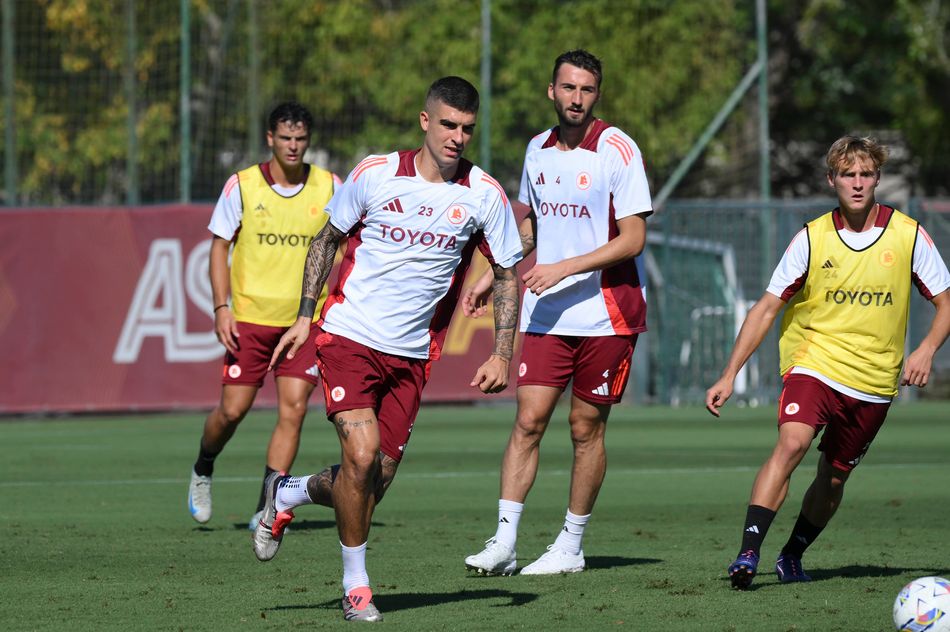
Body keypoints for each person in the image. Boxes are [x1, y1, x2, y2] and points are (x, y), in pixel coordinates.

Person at [250, 76, 523, 622]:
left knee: (372, 482)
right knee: (361, 454)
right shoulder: (376, 174)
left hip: (412, 355)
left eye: (467, 128)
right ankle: (357, 588)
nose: (457, 137)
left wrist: (501, 353)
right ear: (426, 121)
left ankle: (289, 493)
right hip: (348, 335)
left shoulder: (484, 195)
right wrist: (306, 316)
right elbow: (326, 240)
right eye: (447, 124)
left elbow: (508, 275)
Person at [706, 135, 950, 590]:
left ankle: (792, 554)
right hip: (814, 363)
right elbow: (765, 309)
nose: (857, 183)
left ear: (877, 178)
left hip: (874, 382)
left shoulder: (909, 235)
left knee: (833, 478)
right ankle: (747, 553)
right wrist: (728, 374)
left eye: (865, 174)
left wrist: (926, 348)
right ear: (831, 179)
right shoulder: (812, 238)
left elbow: (946, 302)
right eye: (847, 175)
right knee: (792, 443)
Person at [463, 49, 653, 576]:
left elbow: (634, 238)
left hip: (608, 315)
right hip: (548, 312)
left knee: (584, 428)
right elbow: (535, 225)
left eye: (587, 90)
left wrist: (566, 267)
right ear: (552, 91)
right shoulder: (536, 150)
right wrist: (492, 272)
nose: (576, 98)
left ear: (598, 94)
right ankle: (504, 542)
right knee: (527, 421)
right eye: (568, 88)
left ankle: (570, 545)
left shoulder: (617, 149)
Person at [187, 102, 340, 529]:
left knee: (293, 410)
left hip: (303, 321)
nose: (293, 146)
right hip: (251, 320)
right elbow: (219, 247)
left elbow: (347, 245)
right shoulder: (243, 185)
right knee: (231, 412)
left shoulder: (329, 186)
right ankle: (203, 466)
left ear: (308, 141)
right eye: (285, 138)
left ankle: (266, 505)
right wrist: (222, 308)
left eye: (301, 139)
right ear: (270, 139)